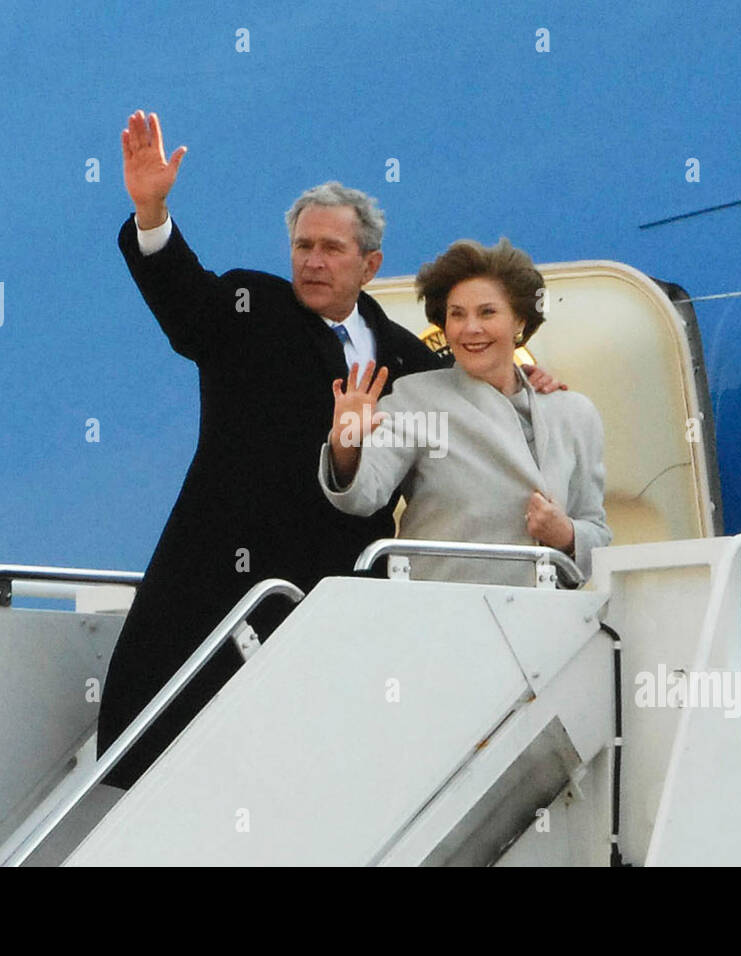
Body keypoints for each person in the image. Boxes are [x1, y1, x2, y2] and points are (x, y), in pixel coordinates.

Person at [97, 112, 561, 789]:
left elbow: (477, 406)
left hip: (340, 593)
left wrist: (533, 380)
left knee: (322, 769)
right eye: (303, 245)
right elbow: (183, 300)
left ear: (370, 264)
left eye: (331, 249)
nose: (312, 260)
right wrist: (151, 212)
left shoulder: (410, 358)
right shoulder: (249, 308)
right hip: (221, 579)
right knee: (181, 757)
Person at [319, 238, 612, 585]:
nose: (470, 328)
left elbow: (597, 533)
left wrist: (566, 535)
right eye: (457, 314)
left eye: (487, 312)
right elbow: (365, 495)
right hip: (444, 619)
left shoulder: (575, 413)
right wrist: (345, 444)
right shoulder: (416, 398)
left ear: (519, 320)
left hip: (547, 624)